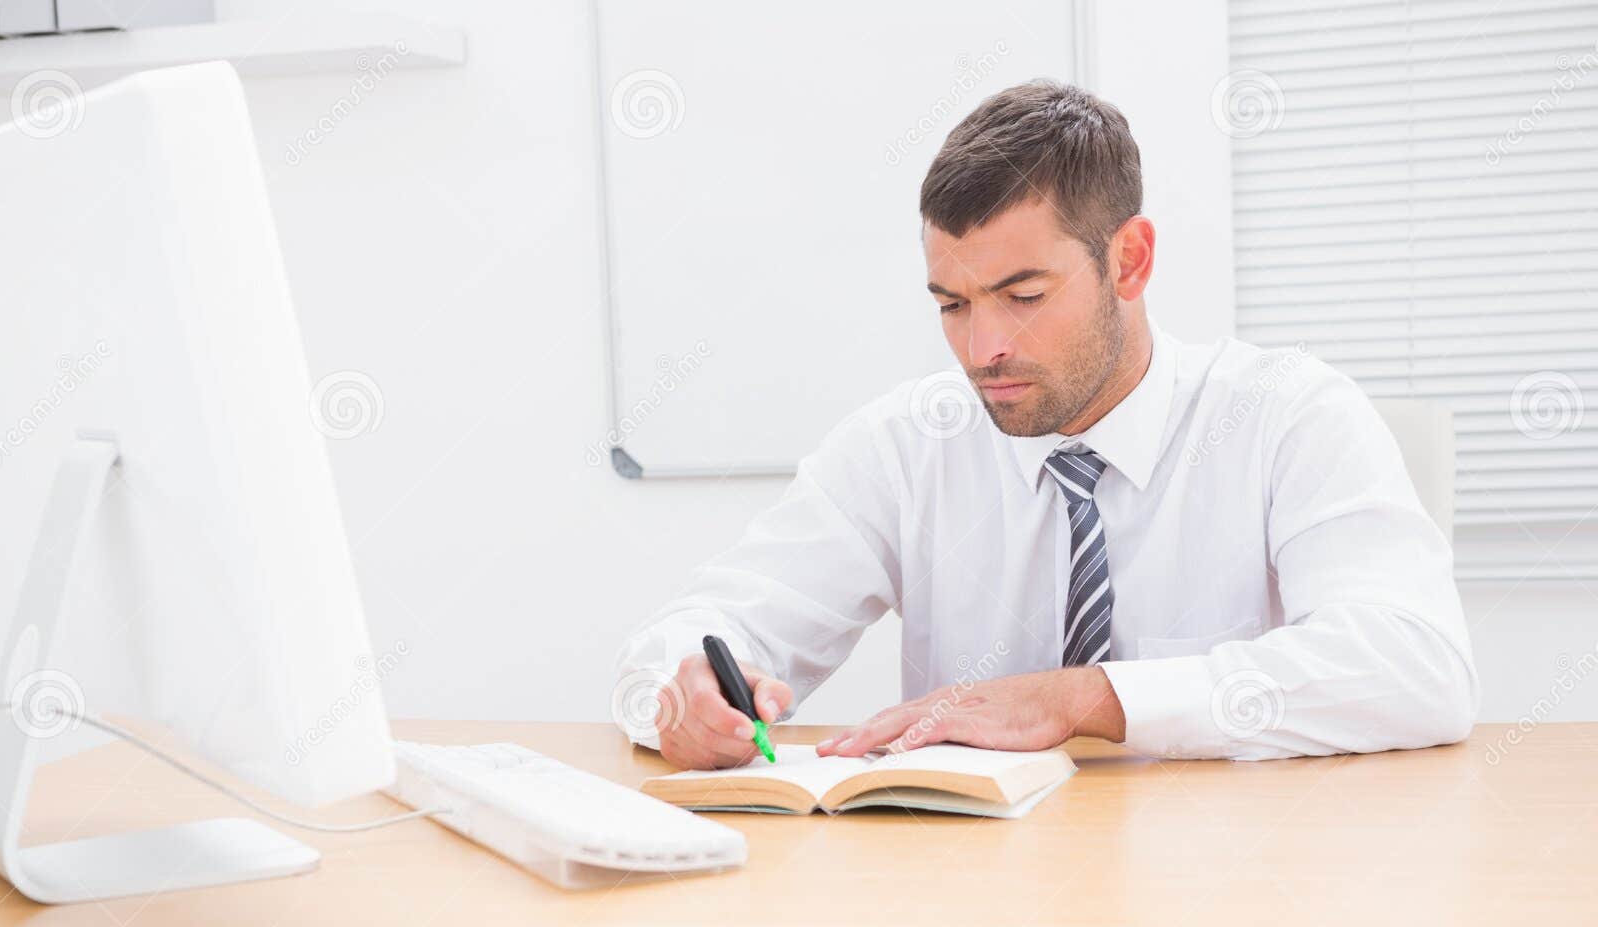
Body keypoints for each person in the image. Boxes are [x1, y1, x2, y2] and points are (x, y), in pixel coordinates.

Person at [615, 81, 1477, 770]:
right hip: (987, 912)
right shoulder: (906, 448)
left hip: (1234, 900)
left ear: (1129, 260)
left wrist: (1083, 697)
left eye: (1024, 297)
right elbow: (700, 631)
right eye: (953, 304)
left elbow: (1416, 666)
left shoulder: (1286, 414)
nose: (984, 348)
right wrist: (680, 694)